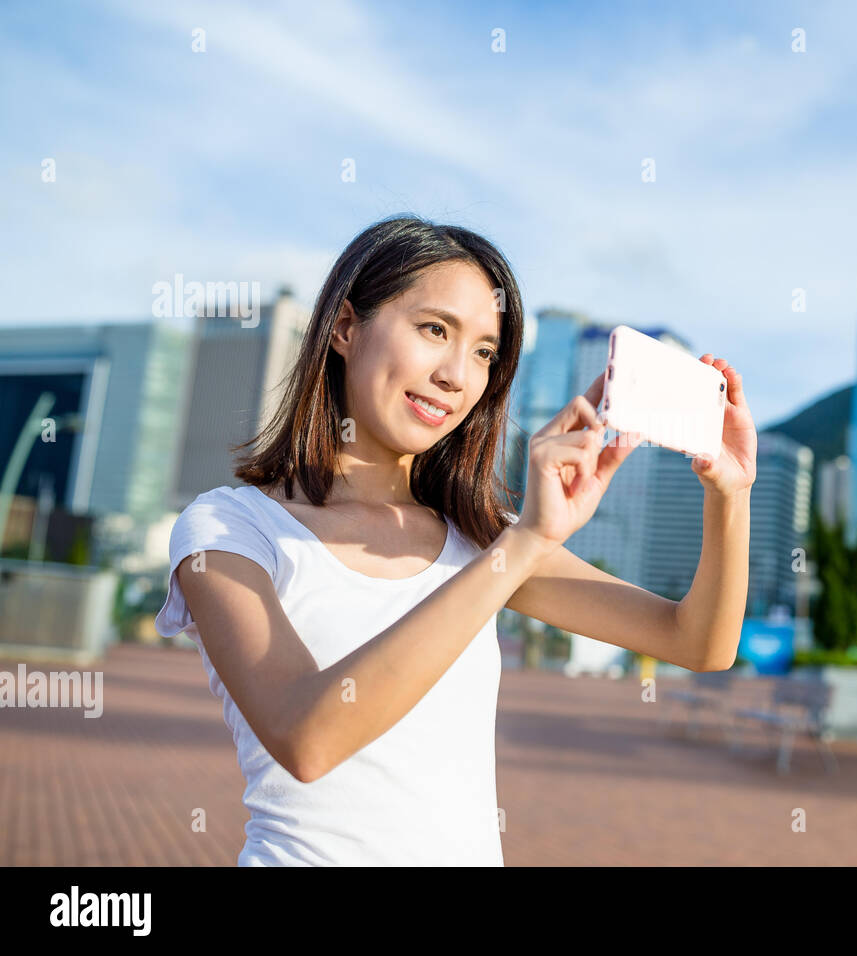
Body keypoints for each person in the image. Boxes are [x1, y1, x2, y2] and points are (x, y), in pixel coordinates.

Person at [154, 215, 757, 865]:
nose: (456, 375)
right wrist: (523, 544)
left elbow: (699, 642)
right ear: (345, 328)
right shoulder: (230, 529)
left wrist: (731, 494)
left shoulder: (481, 539)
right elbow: (308, 738)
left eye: (484, 352)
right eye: (434, 329)